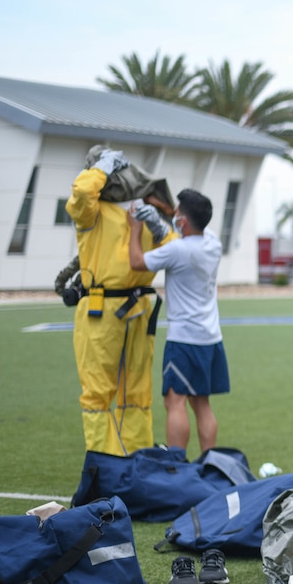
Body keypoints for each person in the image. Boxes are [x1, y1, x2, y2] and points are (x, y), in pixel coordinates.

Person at [65, 146, 175, 455]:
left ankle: (136, 461)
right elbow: (84, 190)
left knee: (136, 394)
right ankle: (106, 463)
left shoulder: (141, 212)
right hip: (105, 310)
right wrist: (104, 166)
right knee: (99, 395)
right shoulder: (92, 211)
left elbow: (176, 247)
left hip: (134, 311)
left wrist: (157, 225)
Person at [127, 189, 228, 455]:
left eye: (179, 214)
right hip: (210, 337)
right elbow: (190, 223)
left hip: (183, 339)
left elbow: (137, 262)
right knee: (201, 404)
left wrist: (135, 227)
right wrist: (166, 210)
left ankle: (177, 466)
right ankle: (210, 463)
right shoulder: (213, 243)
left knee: (175, 401)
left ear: (182, 221)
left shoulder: (177, 250)